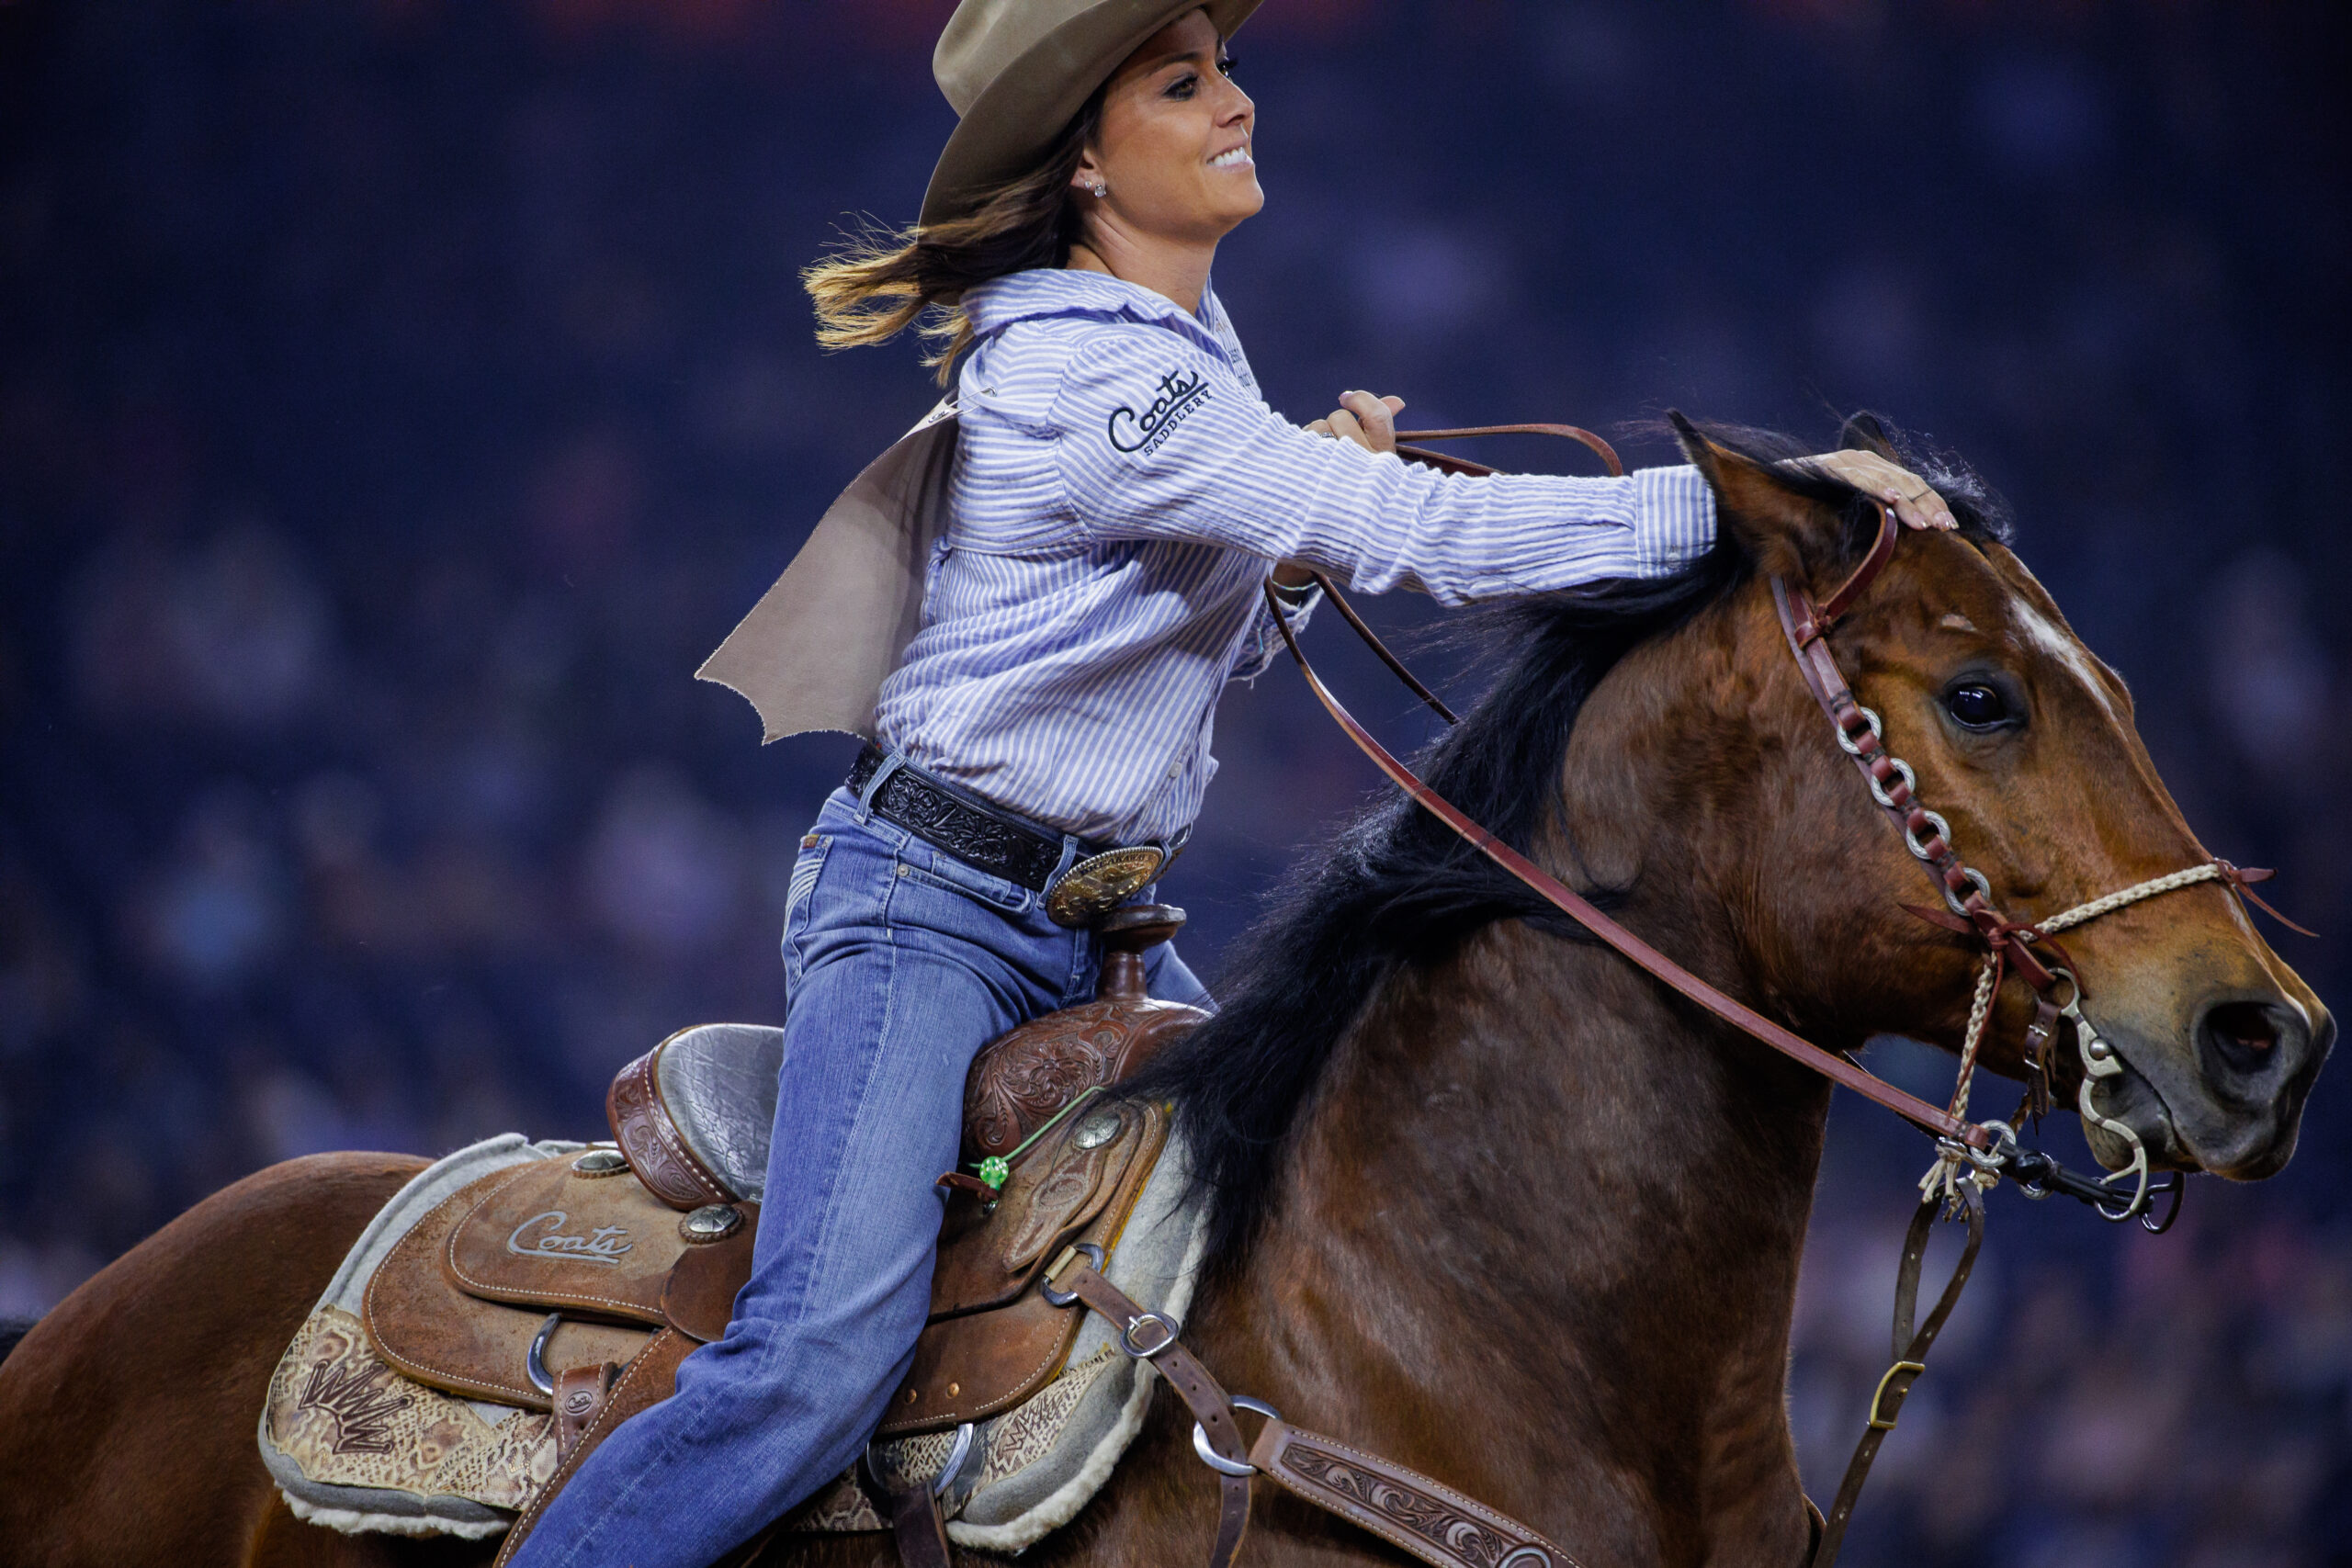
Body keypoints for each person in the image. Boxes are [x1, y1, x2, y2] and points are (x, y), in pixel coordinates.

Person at [507, 2, 1954, 1562]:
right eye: (1183, 83)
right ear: (1082, 165)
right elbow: (1434, 540)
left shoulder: (1183, 354)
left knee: (1298, 1236)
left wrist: (1285, 539)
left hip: (1090, 928)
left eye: (1229, 70)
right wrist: (1765, 515)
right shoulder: (1099, 379)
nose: (1232, 104)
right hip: (930, 918)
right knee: (811, 1362)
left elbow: (1169, 645)